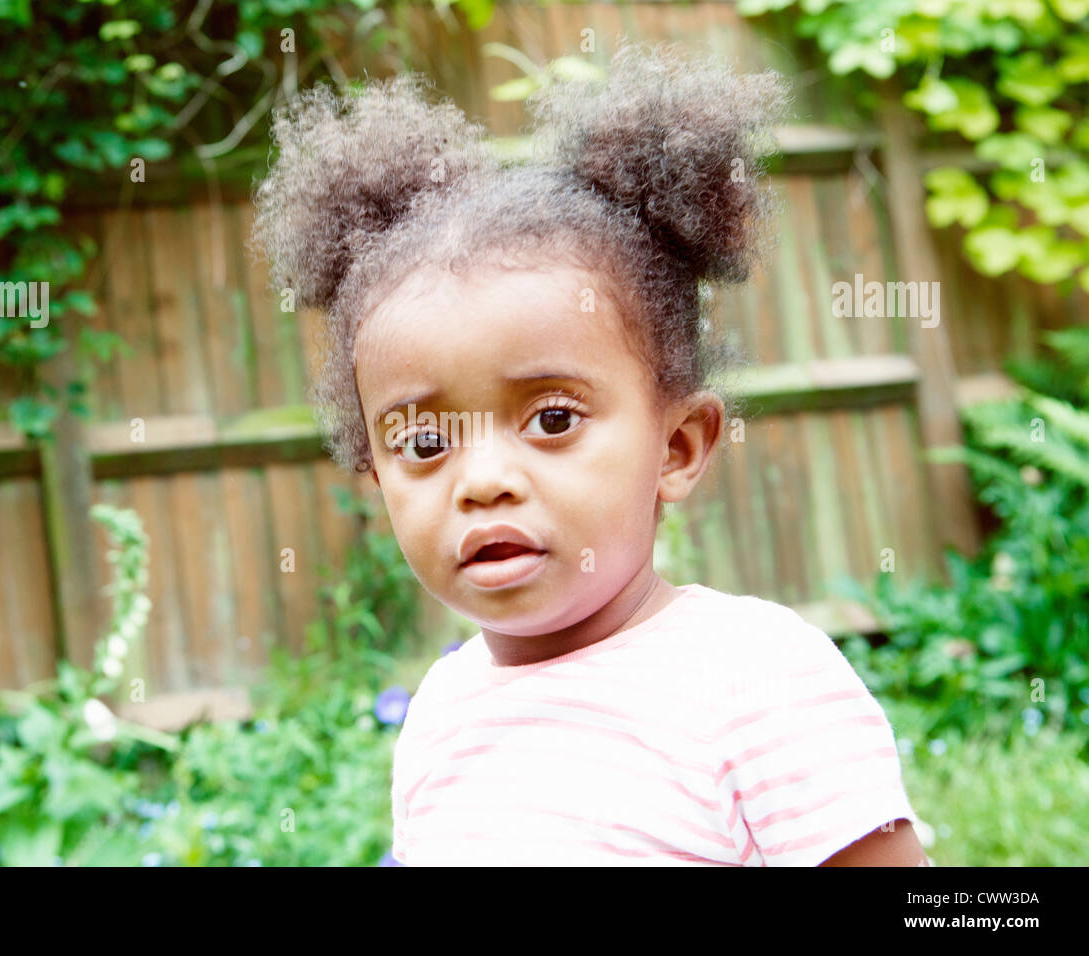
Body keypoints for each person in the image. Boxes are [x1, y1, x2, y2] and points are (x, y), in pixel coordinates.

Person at [250, 37, 928, 866]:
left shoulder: (756, 680)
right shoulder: (443, 714)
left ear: (677, 447)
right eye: (425, 441)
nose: (484, 481)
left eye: (553, 420)